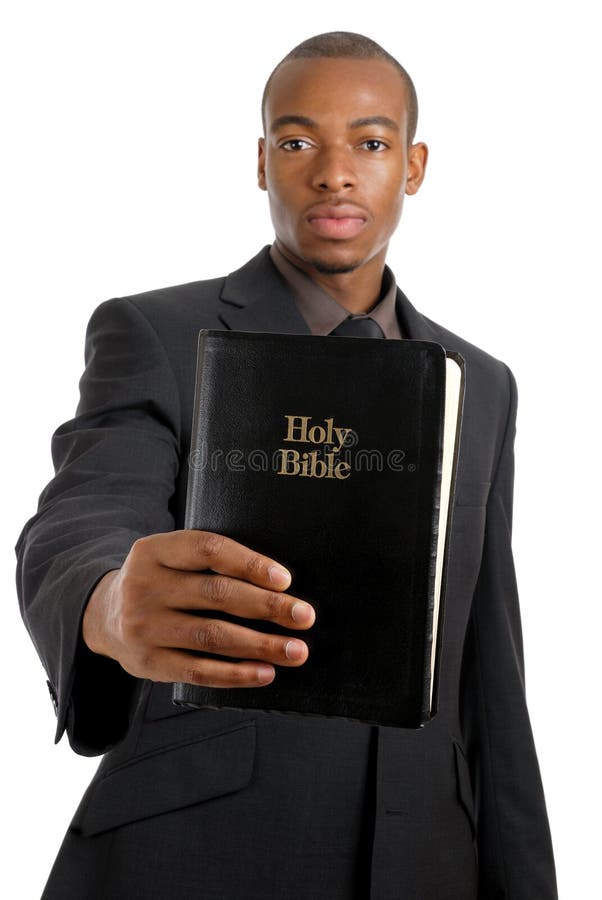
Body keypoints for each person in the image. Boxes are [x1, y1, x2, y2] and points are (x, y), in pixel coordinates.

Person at [15, 31, 558, 900]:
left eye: (371, 144)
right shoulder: (155, 333)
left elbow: (491, 672)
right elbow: (85, 514)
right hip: (199, 854)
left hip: (429, 863)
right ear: (260, 162)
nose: (335, 172)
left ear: (413, 167)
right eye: (298, 142)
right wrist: (110, 603)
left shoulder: (481, 383)